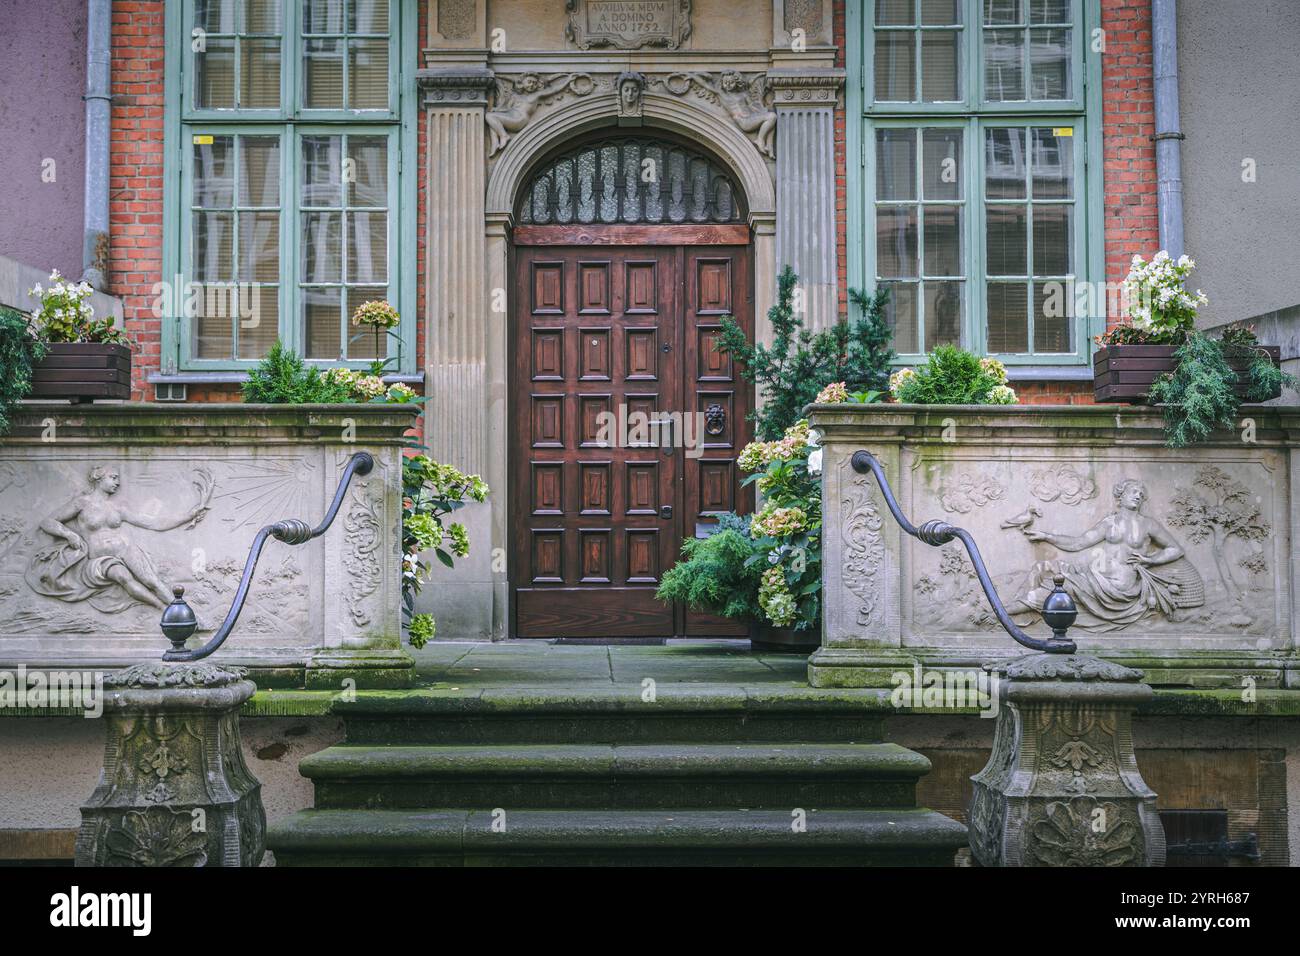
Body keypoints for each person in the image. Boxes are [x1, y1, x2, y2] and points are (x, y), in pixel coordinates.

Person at [1009, 478, 1201, 631]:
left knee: (1055, 588)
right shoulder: (1110, 522)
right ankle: (1008, 611)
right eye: (1133, 492)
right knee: (1043, 570)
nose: (1138, 496)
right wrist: (1045, 535)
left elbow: (1176, 549)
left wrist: (1150, 560)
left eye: (1141, 494)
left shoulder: (1148, 524)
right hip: (1096, 577)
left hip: (1120, 587)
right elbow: (1078, 543)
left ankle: (1004, 612)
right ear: (1121, 496)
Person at [26, 465, 211, 612]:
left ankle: (186, 615)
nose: (118, 482)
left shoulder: (118, 508)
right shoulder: (82, 503)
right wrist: (68, 534)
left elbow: (154, 523)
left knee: (152, 581)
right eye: (113, 477)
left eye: (118, 478)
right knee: (123, 577)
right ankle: (163, 609)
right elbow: (47, 522)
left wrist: (188, 515)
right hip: (100, 560)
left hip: (126, 549)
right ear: (99, 478)